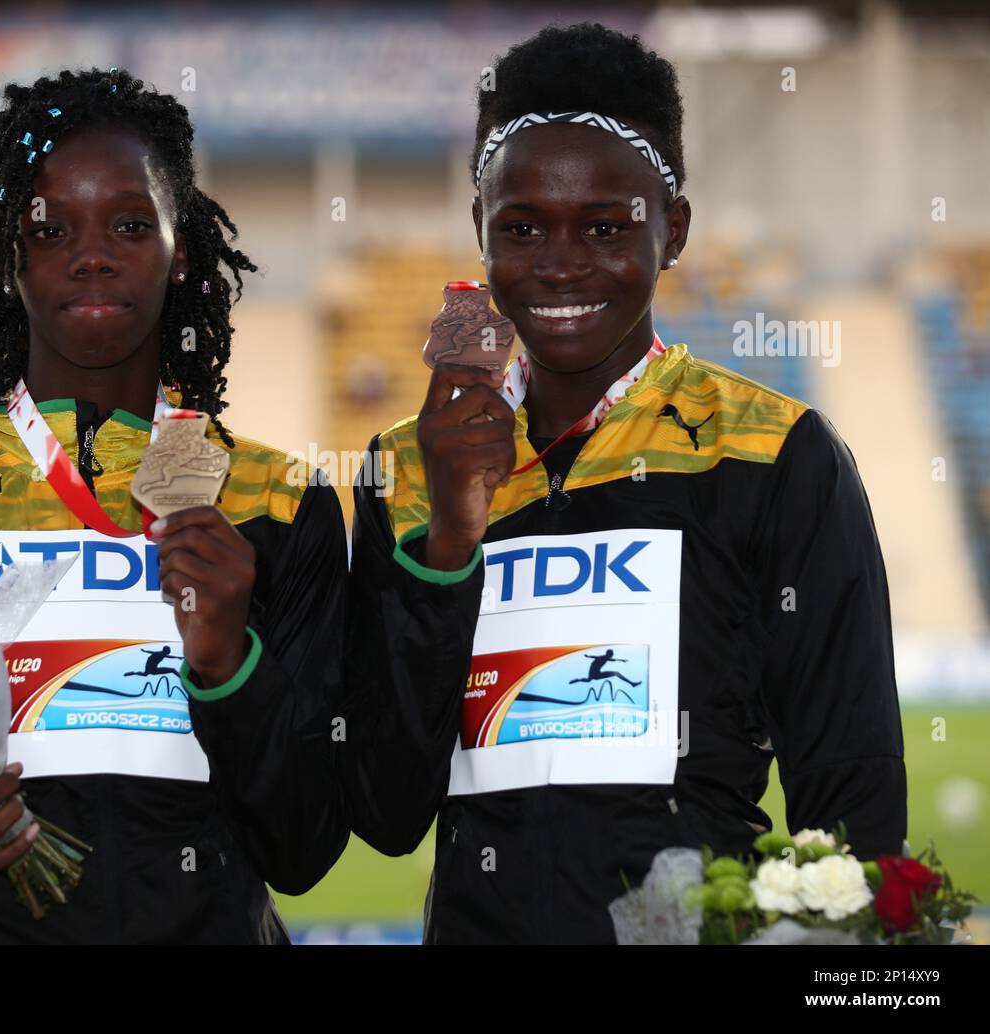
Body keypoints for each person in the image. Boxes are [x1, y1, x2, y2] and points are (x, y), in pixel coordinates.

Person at [342, 23, 906, 944]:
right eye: (522, 229)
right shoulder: (406, 466)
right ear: (479, 231)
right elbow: (384, 809)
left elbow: (852, 794)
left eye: (606, 227)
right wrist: (446, 548)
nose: (561, 264)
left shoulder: (775, 452)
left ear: (672, 229)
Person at [0, 67, 349, 944]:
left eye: (129, 224)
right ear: (10, 253)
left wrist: (233, 664)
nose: (92, 254)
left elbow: (306, 847)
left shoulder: (279, 502)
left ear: (180, 247)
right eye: (50, 228)